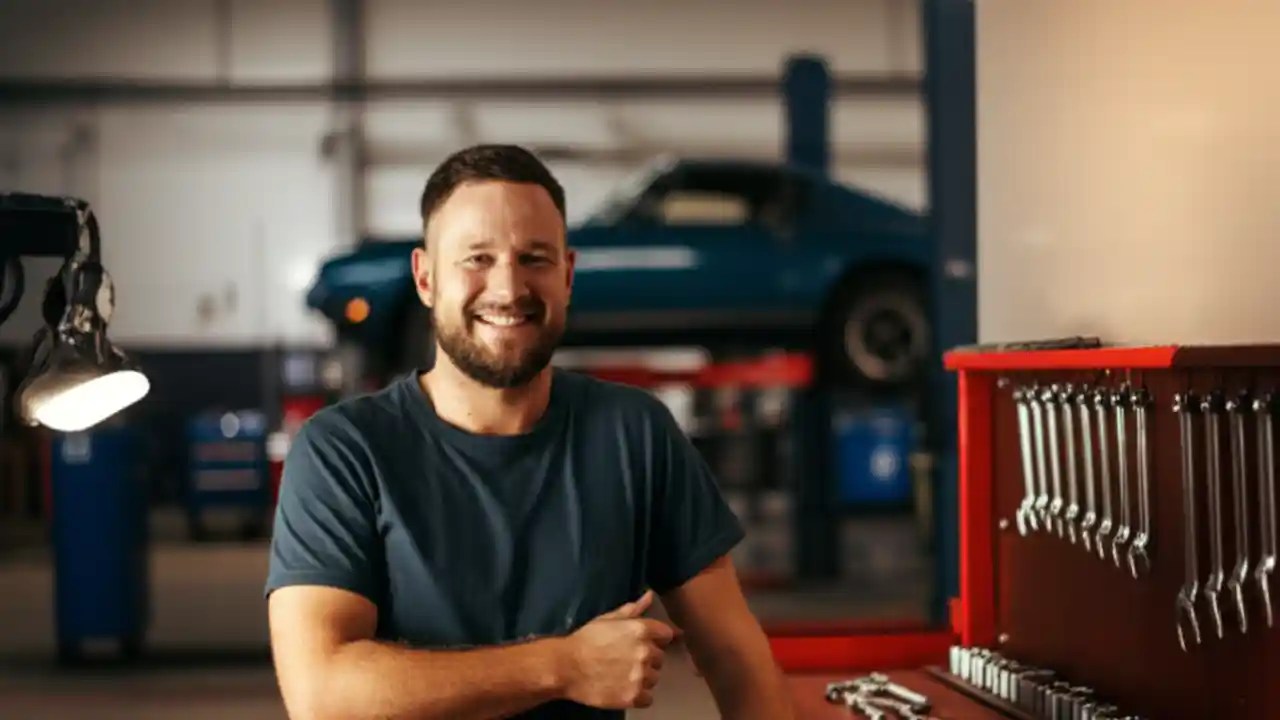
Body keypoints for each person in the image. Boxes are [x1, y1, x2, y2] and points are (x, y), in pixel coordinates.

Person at [264, 144, 796, 719]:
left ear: (567, 276)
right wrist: (565, 667)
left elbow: (736, 656)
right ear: (425, 278)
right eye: (477, 258)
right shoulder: (344, 451)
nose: (508, 288)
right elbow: (322, 696)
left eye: (534, 258)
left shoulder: (634, 435)